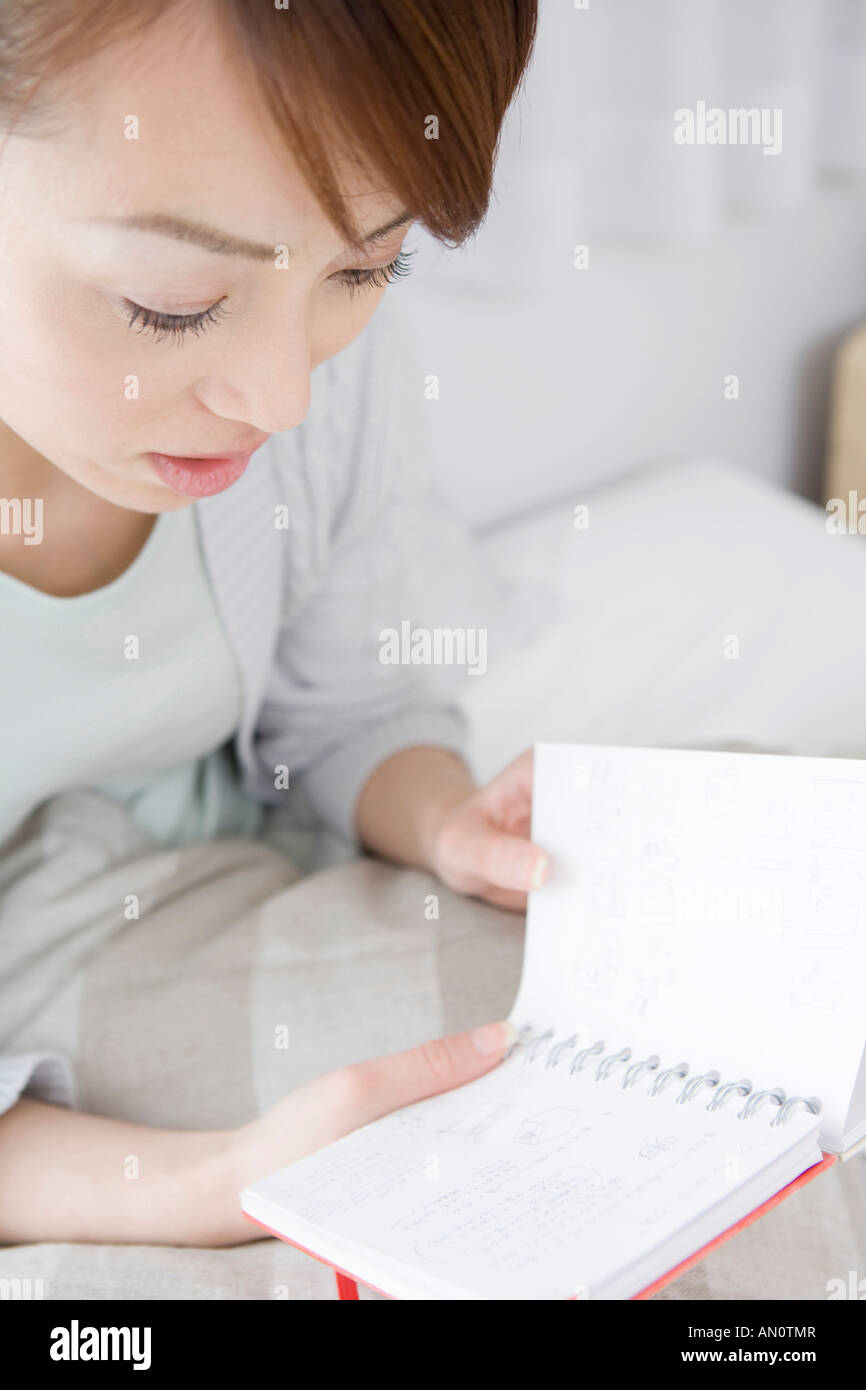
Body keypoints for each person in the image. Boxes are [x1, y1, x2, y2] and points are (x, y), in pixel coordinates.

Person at [0, 0, 547, 1247]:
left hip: (237, 899)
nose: (283, 393)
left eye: (366, 268)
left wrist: (444, 819)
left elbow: (351, 702)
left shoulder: (302, 357)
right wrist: (216, 1186)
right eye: (172, 305)